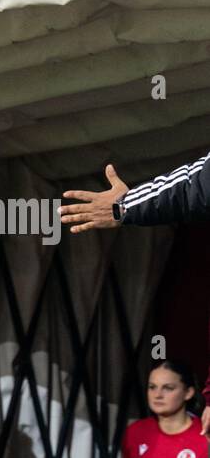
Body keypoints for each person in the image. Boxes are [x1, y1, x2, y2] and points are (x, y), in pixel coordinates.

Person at [60, 156, 210, 437]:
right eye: (154, 387)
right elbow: (193, 184)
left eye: (166, 388)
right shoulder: (138, 436)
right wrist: (124, 206)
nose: (158, 394)